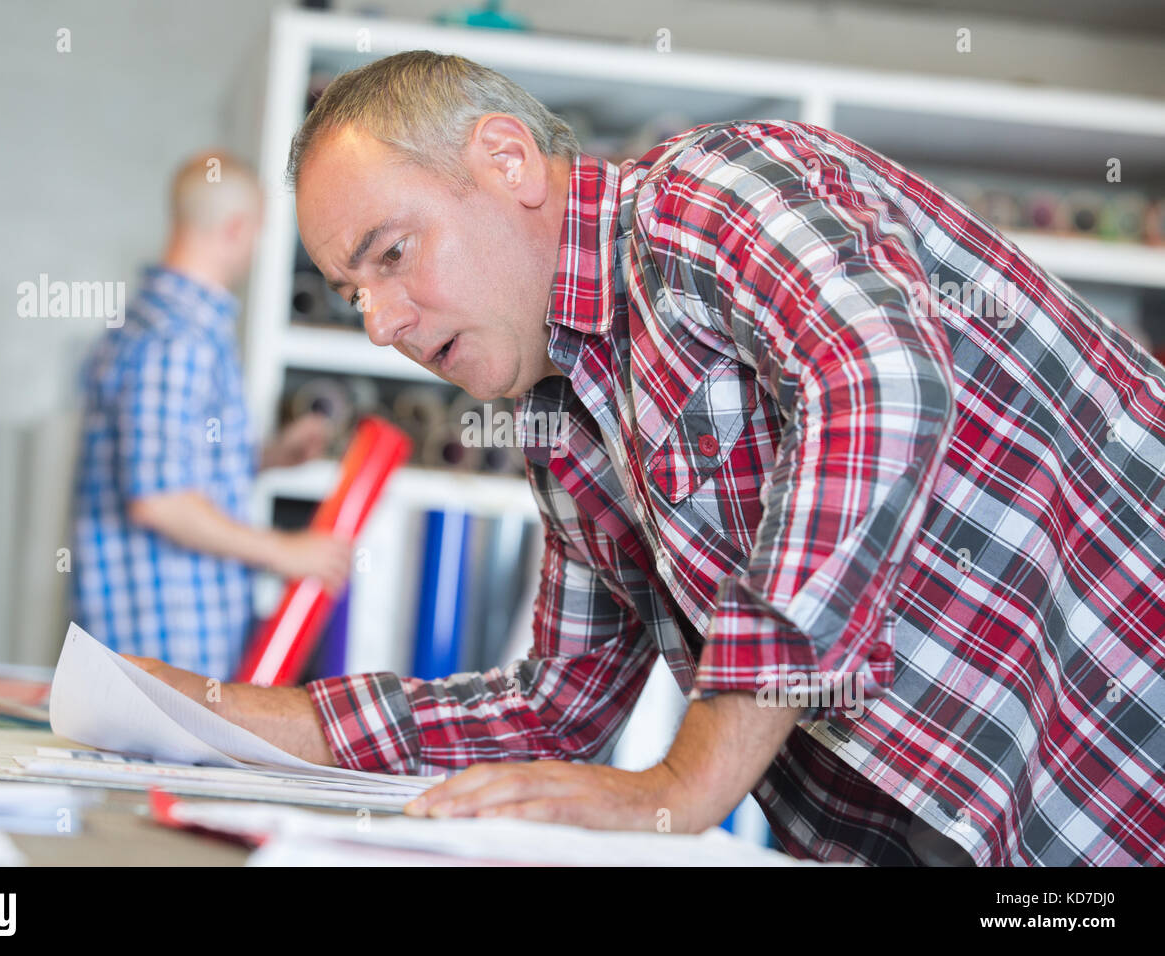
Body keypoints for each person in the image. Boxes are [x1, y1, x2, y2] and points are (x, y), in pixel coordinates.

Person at [129, 54, 1165, 865]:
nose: (380, 324)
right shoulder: (561, 420)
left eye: (392, 255)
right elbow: (554, 707)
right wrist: (210, 710)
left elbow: (879, 384)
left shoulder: (708, 197)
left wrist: (684, 783)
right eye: (353, 292)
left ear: (507, 160)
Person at [73, 150, 352, 681]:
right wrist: (286, 551)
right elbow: (159, 500)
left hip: (151, 644)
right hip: (166, 647)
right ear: (235, 228)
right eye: (258, 232)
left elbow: (162, 463)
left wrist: (265, 459)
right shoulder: (179, 341)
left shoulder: (145, 324)